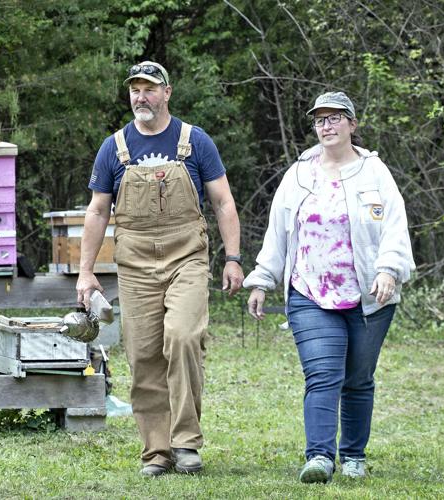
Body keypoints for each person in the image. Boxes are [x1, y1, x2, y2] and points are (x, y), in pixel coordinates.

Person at [76, 61, 244, 477]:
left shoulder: (195, 141)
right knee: (144, 354)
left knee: (183, 337)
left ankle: (187, 443)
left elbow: (223, 202)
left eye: (150, 89)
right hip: (134, 267)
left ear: (167, 93)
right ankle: (157, 451)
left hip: (187, 256)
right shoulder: (114, 147)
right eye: (135, 89)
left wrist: (234, 258)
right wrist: (86, 271)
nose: (141, 97)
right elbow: (98, 212)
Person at [243, 91, 414, 483]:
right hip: (310, 293)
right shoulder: (299, 174)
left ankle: (353, 455)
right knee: (323, 374)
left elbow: (394, 226)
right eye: (320, 119)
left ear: (352, 124)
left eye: (336, 118)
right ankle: (319, 456)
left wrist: (389, 269)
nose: (327, 125)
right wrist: (263, 279)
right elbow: (278, 233)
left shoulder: (374, 173)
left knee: (357, 378)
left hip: (370, 297)